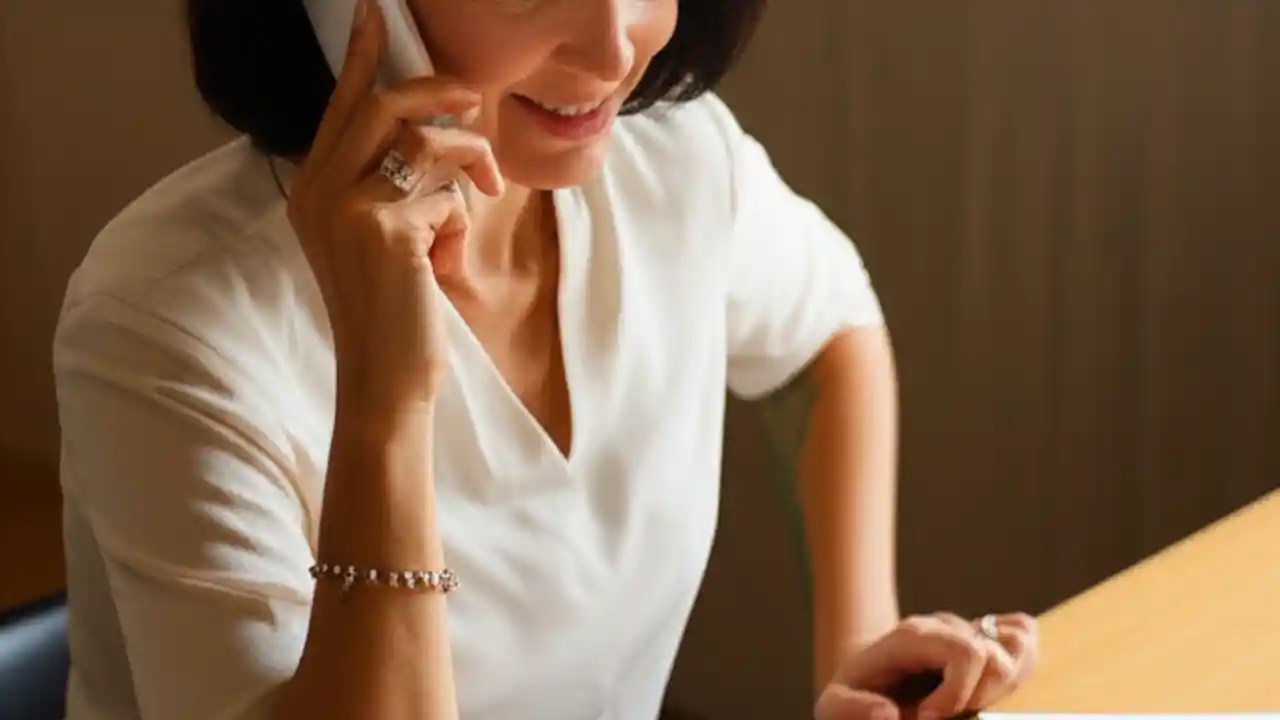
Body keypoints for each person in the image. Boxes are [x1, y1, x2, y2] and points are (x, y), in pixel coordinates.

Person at [52, 0, 1038, 718]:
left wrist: (856, 643)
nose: (615, 45)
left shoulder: (677, 164)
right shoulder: (165, 322)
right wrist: (386, 403)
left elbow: (827, 333)